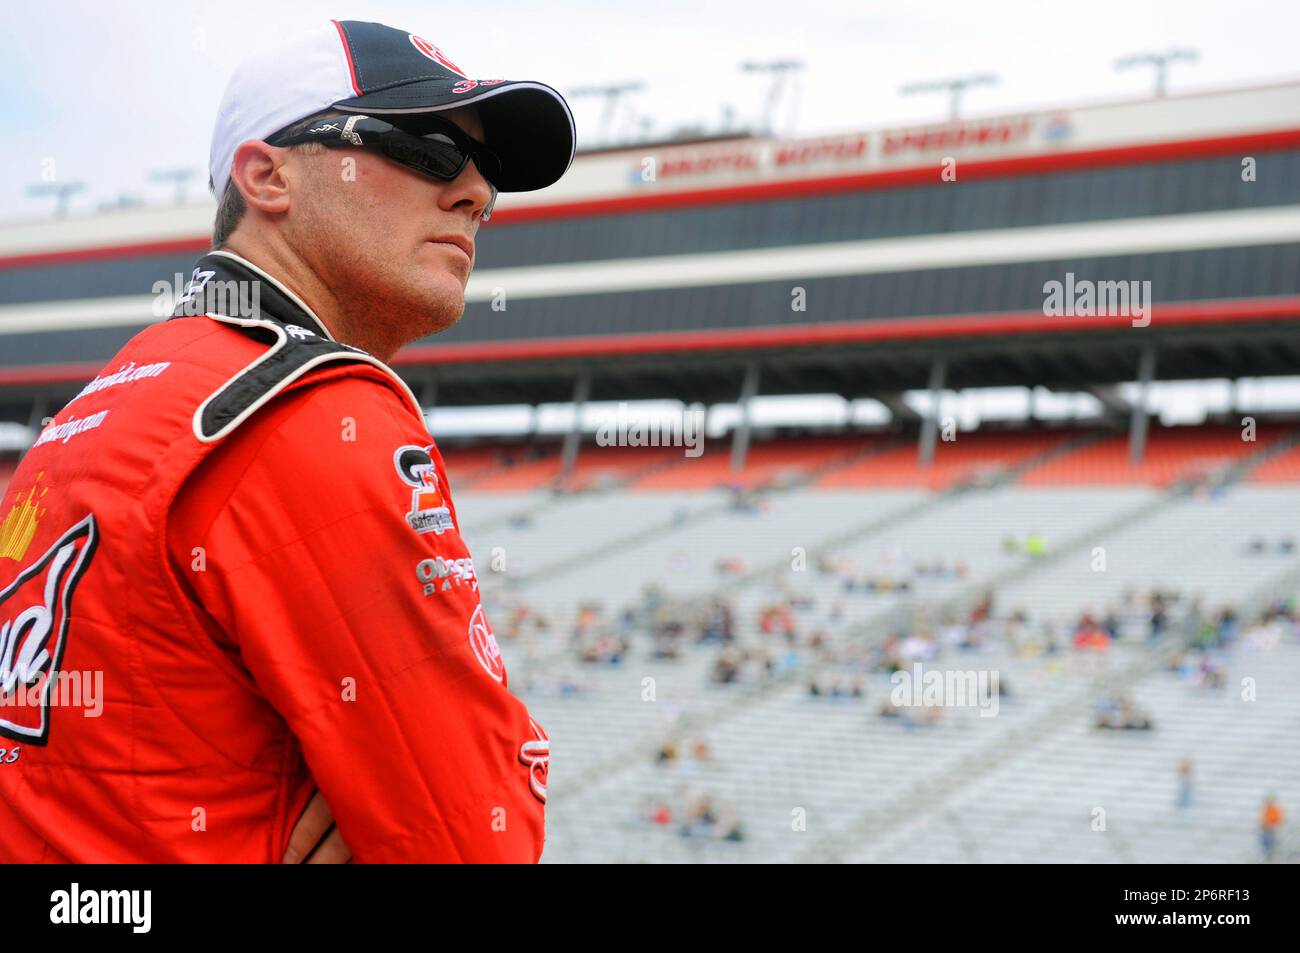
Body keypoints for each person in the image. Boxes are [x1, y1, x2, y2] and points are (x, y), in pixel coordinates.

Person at [0, 19, 574, 862]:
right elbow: (476, 835)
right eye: (427, 151)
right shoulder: (312, 409)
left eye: (485, 172)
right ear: (267, 177)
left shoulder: (97, 408)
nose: (476, 194)